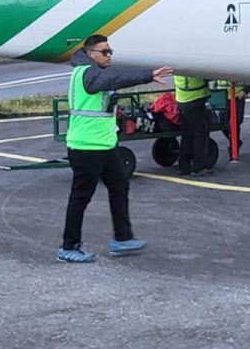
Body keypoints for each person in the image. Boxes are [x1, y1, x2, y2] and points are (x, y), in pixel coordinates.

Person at [60, 35, 170, 263]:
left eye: (111, 52)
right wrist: (147, 75)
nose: (109, 55)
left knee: (119, 186)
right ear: (91, 54)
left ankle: (122, 237)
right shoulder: (88, 74)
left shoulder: (92, 72)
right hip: (86, 147)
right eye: (105, 52)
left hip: (105, 145)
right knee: (80, 198)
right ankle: (68, 247)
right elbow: (115, 79)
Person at [172, 72, 214, 176]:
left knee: (187, 135)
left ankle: (184, 166)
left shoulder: (176, 64)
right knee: (200, 135)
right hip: (196, 98)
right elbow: (208, 75)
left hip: (182, 99)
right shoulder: (193, 65)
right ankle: (199, 167)